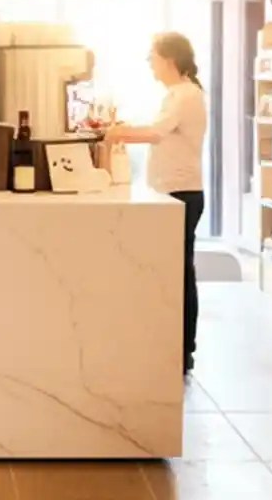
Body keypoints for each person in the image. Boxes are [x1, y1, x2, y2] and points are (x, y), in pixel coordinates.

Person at [104, 32, 207, 376]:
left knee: (180, 273)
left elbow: (155, 133)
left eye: (153, 57)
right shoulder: (178, 94)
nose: (150, 64)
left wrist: (118, 133)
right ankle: (175, 346)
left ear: (169, 60)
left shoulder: (186, 95)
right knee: (176, 270)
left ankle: (183, 350)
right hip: (175, 191)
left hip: (182, 193)